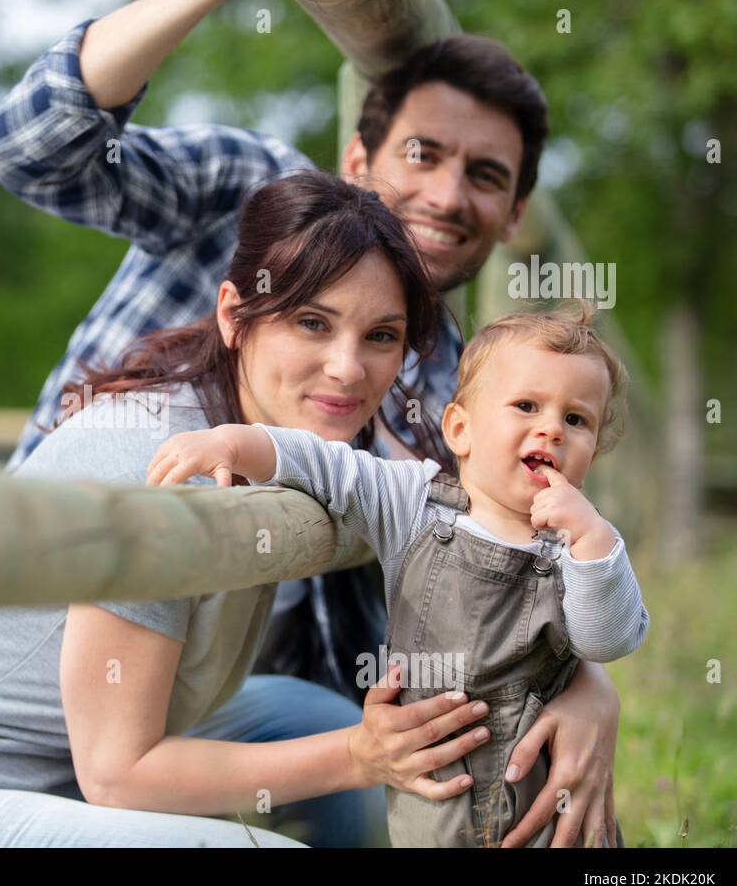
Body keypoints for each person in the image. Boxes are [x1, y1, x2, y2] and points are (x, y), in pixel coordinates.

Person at [0, 0, 623, 847]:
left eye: (486, 175)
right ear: (357, 161)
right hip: (27, 624)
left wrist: (584, 683)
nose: (446, 193)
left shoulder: (446, 385)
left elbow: (495, 547)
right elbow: (28, 149)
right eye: (422, 153)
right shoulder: (256, 195)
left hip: (212, 677)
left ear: (513, 217)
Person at [0, 170, 471, 847]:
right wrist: (359, 755)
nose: (348, 369)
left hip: (64, 766)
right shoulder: (157, 465)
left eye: (381, 336)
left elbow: (468, 510)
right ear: (234, 315)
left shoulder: (277, 443)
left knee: (306, 713)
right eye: (311, 323)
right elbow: (117, 776)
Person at [148, 301, 648, 846]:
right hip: (437, 789)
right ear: (460, 428)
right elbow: (323, 463)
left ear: (591, 452)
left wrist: (595, 541)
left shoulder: (583, 546)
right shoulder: (412, 502)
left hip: (543, 797)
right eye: (527, 406)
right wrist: (233, 443)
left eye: (576, 420)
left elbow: (607, 639)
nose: (551, 429)